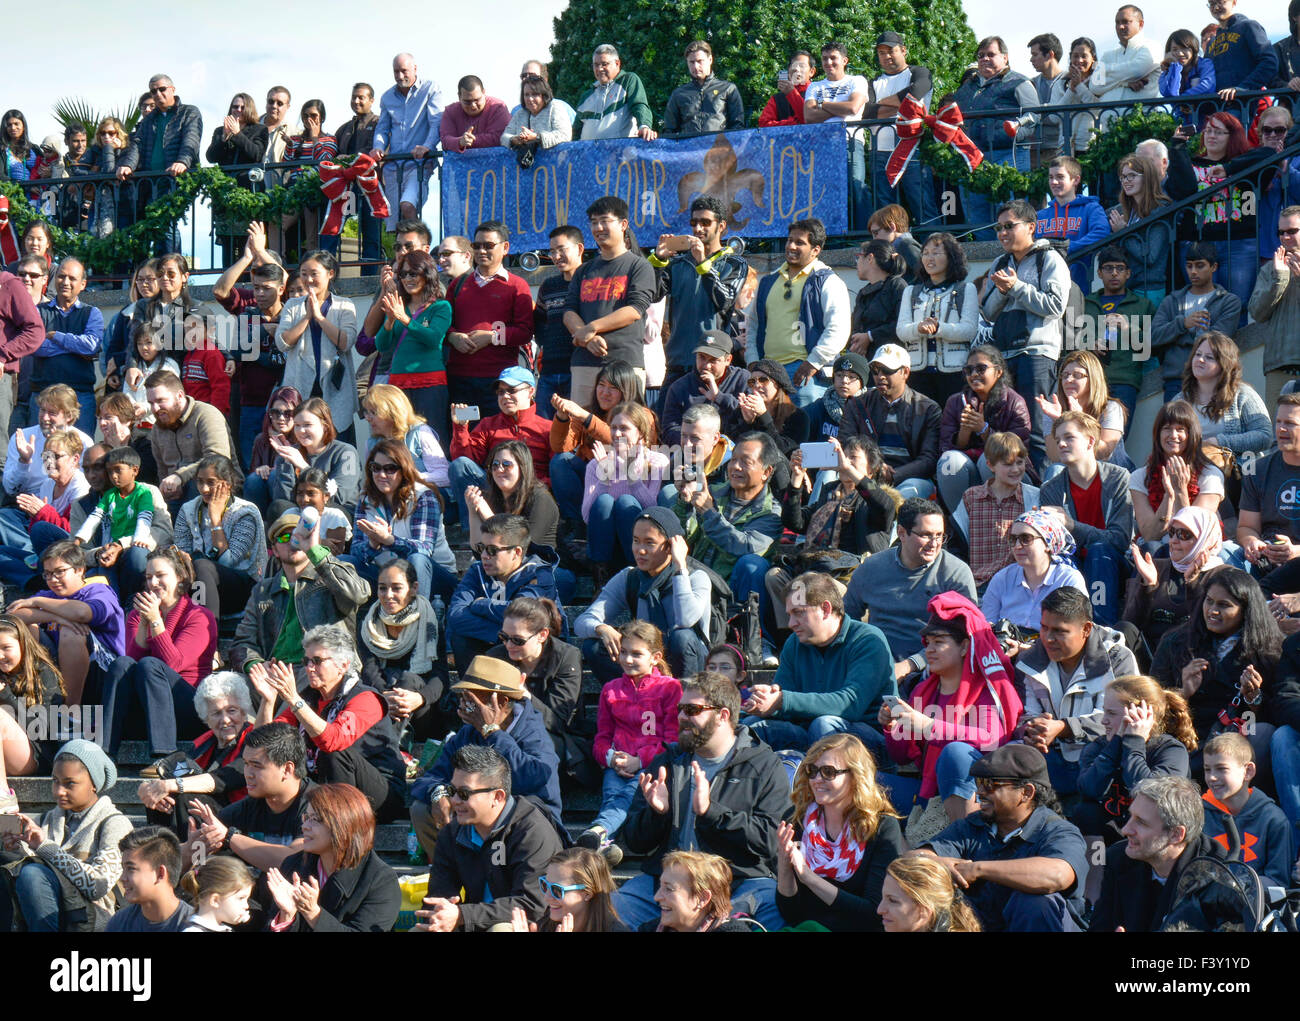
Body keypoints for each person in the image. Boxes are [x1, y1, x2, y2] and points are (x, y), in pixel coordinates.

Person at [617, 671, 790, 932]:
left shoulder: (762, 765)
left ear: (723, 715)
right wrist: (657, 813)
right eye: (680, 709)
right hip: (667, 885)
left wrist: (711, 813)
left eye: (692, 709)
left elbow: (769, 841)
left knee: (771, 911)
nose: (682, 717)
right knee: (610, 910)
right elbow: (633, 841)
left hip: (737, 885)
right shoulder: (668, 761)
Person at [880, 595, 1023, 819]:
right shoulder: (922, 691)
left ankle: (968, 842)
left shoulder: (985, 690)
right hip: (925, 795)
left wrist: (929, 726)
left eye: (939, 642)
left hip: (978, 796)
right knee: (855, 780)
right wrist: (892, 727)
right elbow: (901, 757)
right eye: (928, 643)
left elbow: (991, 739)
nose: (929, 650)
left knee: (955, 753)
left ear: (965, 646)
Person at [408, 656, 563, 861]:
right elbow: (429, 778)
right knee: (422, 809)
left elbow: (535, 778)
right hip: (477, 814)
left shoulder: (532, 729)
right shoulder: (467, 733)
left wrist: (492, 733)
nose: (462, 704)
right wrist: (438, 793)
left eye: (472, 699)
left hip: (524, 824)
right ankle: (448, 873)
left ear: (500, 702)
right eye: (463, 696)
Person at [922, 744, 1088, 932]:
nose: (980, 793)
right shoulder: (972, 825)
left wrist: (977, 869)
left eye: (990, 785)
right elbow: (913, 858)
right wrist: (936, 862)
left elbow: (1057, 875)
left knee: (1035, 903)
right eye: (979, 784)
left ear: (1026, 792)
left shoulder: (1059, 831)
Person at [250, 623, 405, 823]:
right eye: (306, 661)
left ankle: (337, 826)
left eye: (317, 661)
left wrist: (292, 698)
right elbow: (262, 746)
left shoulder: (366, 698)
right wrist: (268, 700)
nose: (309, 668)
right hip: (323, 785)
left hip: (380, 793)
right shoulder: (307, 699)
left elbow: (334, 740)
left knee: (334, 753)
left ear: (343, 665)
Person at [747, 571, 894, 758]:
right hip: (809, 733)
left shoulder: (868, 639)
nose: (790, 623)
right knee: (750, 727)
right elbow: (785, 704)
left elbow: (850, 705)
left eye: (798, 613)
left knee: (824, 725)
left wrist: (782, 700)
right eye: (789, 615)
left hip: (870, 744)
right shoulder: (794, 643)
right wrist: (765, 702)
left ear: (825, 609)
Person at [417, 745, 564, 931]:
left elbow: (532, 905)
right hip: (473, 922)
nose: (454, 801)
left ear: (497, 796)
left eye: (464, 793)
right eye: (451, 791)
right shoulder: (452, 833)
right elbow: (439, 895)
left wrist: (462, 915)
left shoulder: (532, 831)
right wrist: (439, 913)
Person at [1015, 586, 1140, 794]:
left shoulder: (1118, 659)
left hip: (1102, 763)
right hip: (1048, 757)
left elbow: (1120, 719)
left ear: (1086, 629)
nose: (1047, 638)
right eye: (1044, 627)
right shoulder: (1028, 660)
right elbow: (1023, 716)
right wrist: (1033, 730)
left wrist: (1064, 727)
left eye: (1060, 631)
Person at [1150, 568, 1281, 768]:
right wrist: (1182, 693)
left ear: (1246, 610)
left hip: (1238, 742)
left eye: (1224, 605)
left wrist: (1253, 700)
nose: (1212, 611)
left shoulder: (1269, 653)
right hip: (1186, 738)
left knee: (1263, 732)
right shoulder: (1175, 642)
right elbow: (1152, 706)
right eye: (1209, 601)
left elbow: (1274, 717)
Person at [775, 733, 906, 931]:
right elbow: (791, 913)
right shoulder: (797, 819)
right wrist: (784, 864)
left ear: (855, 777)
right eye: (812, 770)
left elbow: (874, 913)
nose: (817, 779)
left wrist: (809, 877)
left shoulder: (881, 828)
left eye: (828, 772)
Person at [0, 739, 131, 932]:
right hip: (52, 910)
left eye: (70, 784)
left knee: (32, 875)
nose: (59, 791)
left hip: (95, 917)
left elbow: (98, 886)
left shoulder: (114, 824)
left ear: (94, 784)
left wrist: (46, 847)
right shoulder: (47, 819)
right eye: (55, 781)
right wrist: (16, 849)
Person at [980, 199, 1071, 470]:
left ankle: (1040, 492)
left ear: (1031, 227)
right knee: (1007, 429)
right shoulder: (1000, 261)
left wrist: (1017, 286)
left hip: (1037, 354)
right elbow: (987, 312)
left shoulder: (1049, 258)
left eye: (1009, 226)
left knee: (1035, 431)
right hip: (1005, 355)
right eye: (999, 227)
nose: (1002, 233)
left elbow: (1055, 306)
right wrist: (1004, 291)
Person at [100, 547, 217, 758]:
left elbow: (172, 664)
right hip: (146, 710)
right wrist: (145, 625)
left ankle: (165, 755)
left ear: (180, 578)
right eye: (148, 577)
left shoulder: (199, 616)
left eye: (160, 576)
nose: (153, 583)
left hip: (189, 710)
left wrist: (155, 621)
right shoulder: (137, 615)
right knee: (121, 664)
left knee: (151, 665)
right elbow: (131, 665)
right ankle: (105, 752)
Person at [580, 620, 681, 863]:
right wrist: (610, 757)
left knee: (625, 797)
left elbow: (673, 739)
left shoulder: (670, 688)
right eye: (623, 652)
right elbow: (602, 737)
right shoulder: (610, 690)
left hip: (652, 765)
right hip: (619, 763)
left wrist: (640, 760)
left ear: (655, 657)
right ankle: (602, 846)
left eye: (636, 654)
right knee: (613, 796)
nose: (627, 659)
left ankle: (598, 830)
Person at [575, 506, 714, 681]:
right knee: (593, 646)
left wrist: (680, 569)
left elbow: (685, 619)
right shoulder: (630, 577)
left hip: (689, 662)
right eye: (636, 541)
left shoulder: (696, 577)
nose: (640, 550)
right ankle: (628, 699)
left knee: (682, 637)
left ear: (671, 545)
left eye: (650, 543)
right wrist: (601, 628)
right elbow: (582, 622)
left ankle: (684, 705)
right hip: (646, 659)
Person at [227, 510, 370, 679]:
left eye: (299, 535)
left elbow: (358, 594)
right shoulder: (262, 591)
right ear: (275, 550)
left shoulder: (330, 577)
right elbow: (243, 642)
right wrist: (256, 665)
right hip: (274, 674)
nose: (293, 542)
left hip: (322, 672)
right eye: (284, 538)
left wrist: (315, 550)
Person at [845, 498, 977, 680]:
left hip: (933, 670)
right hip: (874, 662)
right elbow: (846, 618)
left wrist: (910, 665)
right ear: (901, 533)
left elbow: (961, 635)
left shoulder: (955, 574)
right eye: (926, 535)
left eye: (940, 535)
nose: (934, 543)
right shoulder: (872, 567)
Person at [1074, 675, 1196, 846]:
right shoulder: (1100, 746)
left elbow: (1150, 795)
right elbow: (1089, 789)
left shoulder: (1171, 750)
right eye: (1104, 711)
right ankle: (1097, 871)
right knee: (1086, 811)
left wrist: (1134, 742)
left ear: (1141, 713)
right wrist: (1116, 743)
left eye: (1111, 713)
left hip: (1155, 837)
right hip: (1112, 836)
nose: (1103, 720)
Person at [650, 196, 748, 405]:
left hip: (713, 367)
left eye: (705, 222)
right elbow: (652, 294)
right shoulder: (678, 263)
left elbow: (725, 300)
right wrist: (658, 262)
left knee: (709, 433)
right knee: (665, 429)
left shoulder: (734, 263)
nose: (698, 228)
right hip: (677, 365)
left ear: (721, 226)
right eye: (694, 223)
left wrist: (702, 262)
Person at [1038, 412, 1134, 625]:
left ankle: (1102, 629)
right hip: (1074, 562)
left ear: (1090, 441)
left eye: (1069, 437)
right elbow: (1055, 546)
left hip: (1112, 563)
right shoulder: (1051, 489)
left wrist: (1071, 525)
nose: (1061, 444)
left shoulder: (1118, 478)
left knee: (1099, 551)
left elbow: (1120, 540)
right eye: (1058, 440)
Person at [265, 782, 400, 933]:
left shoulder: (380, 880)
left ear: (344, 824)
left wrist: (314, 914)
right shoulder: (294, 865)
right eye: (306, 817)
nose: (304, 826)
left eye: (315, 819)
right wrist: (286, 916)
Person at [744, 217, 850, 409]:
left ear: (816, 250)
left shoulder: (828, 281)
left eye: (800, 242)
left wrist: (812, 363)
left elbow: (839, 329)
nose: (791, 246)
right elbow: (754, 325)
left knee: (803, 437)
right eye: (789, 240)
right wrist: (753, 362)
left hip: (805, 375)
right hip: (766, 374)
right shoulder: (768, 281)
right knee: (769, 437)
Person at [1089, 775, 1217, 931]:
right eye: (1131, 816)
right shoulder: (1118, 858)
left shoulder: (1215, 875)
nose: (1125, 830)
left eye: (1141, 822)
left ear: (1176, 834)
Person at [137, 671, 254, 840]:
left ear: (244, 712)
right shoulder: (203, 743)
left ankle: (194, 860)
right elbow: (172, 771)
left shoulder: (253, 739)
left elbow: (225, 779)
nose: (225, 719)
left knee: (185, 795)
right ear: (206, 718)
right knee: (162, 798)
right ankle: (163, 856)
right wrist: (147, 789)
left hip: (239, 821)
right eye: (216, 713)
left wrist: (170, 785)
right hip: (207, 814)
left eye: (232, 710)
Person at [672, 432, 782, 610]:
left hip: (729, 594)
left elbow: (744, 547)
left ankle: (749, 631)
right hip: (693, 577)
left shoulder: (771, 513)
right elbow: (681, 536)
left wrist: (708, 512)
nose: (735, 467)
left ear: (766, 471)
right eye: (733, 460)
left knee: (752, 564)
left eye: (746, 462)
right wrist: (684, 503)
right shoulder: (713, 492)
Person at [563, 197, 657, 405]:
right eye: (594, 222)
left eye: (605, 221)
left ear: (623, 225)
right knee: (581, 429)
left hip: (625, 363)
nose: (598, 228)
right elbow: (569, 311)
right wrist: (587, 338)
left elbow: (635, 309)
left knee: (626, 427)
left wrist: (592, 328)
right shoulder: (584, 270)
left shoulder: (639, 266)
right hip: (584, 363)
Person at [192, 723, 314, 882]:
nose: (248, 774)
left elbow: (292, 861)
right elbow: (198, 857)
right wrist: (197, 846)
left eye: (256, 766)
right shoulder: (248, 806)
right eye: (246, 764)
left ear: (287, 769)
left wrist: (229, 837)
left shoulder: (316, 807)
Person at [8, 540, 124, 705]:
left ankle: (71, 712)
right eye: (47, 574)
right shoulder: (47, 596)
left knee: (71, 631)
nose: (53, 579)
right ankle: (32, 696)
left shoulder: (99, 590)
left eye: (59, 572)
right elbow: (13, 617)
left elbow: (82, 613)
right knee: (24, 627)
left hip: (104, 672)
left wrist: (37, 602)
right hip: (61, 667)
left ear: (79, 570)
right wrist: (56, 617)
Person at [446, 513, 561, 674]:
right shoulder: (477, 570)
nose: (484, 556)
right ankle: (473, 695)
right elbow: (456, 615)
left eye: (492, 550)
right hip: (496, 644)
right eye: (481, 548)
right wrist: (505, 635)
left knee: (520, 640)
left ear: (517, 552)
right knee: (461, 639)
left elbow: (524, 618)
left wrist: (480, 604)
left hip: (533, 653)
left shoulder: (540, 575)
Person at [1165, 115, 1256, 312]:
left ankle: (1230, 345)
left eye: (1219, 131)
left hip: (1239, 245)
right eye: (1208, 131)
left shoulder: (1244, 164)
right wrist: (1178, 146)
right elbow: (1184, 190)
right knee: (1200, 309)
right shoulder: (1191, 164)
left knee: (1236, 307)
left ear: (1233, 136)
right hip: (1197, 245)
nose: (1211, 136)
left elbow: (1268, 154)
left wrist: (1228, 168)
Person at [952, 38, 1039, 239]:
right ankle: (989, 254)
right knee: (977, 213)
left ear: (1005, 57)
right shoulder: (968, 87)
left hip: (1009, 154)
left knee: (1009, 213)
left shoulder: (1019, 82)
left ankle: (1013, 253)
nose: (984, 59)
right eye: (981, 55)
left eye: (991, 54)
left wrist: (1016, 132)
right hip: (974, 158)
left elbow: (1034, 116)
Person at [349, 440, 456, 603]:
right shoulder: (365, 500)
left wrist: (389, 540)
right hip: (386, 577)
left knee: (417, 560)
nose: (381, 475)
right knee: (344, 562)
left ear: (404, 470)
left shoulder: (423, 497)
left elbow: (424, 549)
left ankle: (418, 619)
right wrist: (372, 545)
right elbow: (355, 551)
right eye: (376, 468)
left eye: (390, 469)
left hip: (434, 577)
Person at [778, 433, 896, 580]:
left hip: (853, 574)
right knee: (774, 577)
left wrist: (848, 468)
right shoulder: (830, 493)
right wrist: (797, 477)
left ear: (871, 470)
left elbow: (885, 505)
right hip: (819, 565)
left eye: (852, 457)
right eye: (842, 455)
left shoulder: (876, 498)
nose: (845, 460)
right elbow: (794, 522)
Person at [443, 221, 534, 411]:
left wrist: (492, 338)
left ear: (505, 247)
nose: (482, 251)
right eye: (477, 246)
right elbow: (443, 325)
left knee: (498, 436)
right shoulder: (458, 285)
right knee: (463, 433)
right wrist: (453, 336)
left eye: (488, 246)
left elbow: (525, 332)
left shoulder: (517, 286)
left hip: (500, 383)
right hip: (460, 380)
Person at [484, 596, 582, 772]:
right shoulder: (495, 656)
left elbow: (557, 722)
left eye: (518, 640)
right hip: (504, 731)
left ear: (542, 635)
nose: (508, 645)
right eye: (504, 637)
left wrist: (525, 695)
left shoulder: (566, 657)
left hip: (554, 738)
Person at [448, 366, 553, 523]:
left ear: (531, 391)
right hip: (495, 490)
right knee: (460, 464)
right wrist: (460, 428)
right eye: (501, 392)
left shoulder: (547, 427)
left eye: (511, 390)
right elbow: (464, 463)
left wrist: (539, 485)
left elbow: (557, 469)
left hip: (533, 492)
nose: (505, 396)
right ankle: (470, 529)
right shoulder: (487, 424)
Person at [937, 346, 1032, 515]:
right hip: (965, 472)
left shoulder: (1015, 402)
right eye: (969, 370)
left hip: (1009, 472)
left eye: (981, 369)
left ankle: (1000, 519)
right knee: (949, 462)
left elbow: (1017, 452)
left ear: (999, 372)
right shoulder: (955, 402)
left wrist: (984, 430)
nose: (973, 374)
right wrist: (964, 432)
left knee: (988, 460)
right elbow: (944, 448)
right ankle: (961, 523)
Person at [838, 343, 941, 500]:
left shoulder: (928, 409)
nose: (880, 376)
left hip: (908, 479)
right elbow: (845, 443)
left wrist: (896, 475)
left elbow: (929, 459)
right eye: (875, 371)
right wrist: (876, 469)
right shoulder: (856, 404)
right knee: (826, 476)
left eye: (887, 371)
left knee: (910, 491)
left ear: (905, 372)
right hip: (865, 477)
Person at [356, 558, 443, 744]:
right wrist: (385, 697)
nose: (388, 595)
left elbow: (439, 676)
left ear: (413, 588)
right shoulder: (368, 624)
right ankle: (389, 746)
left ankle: (384, 749)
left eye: (396, 588)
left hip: (420, 707)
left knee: (409, 679)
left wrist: (419, 698)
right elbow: (370, 670)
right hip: (380, 699)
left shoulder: (429, 622)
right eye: (382, 588)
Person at [174, 454, 266, 624]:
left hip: (242, 587)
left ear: (227, 484)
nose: (204, 489)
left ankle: (208, 637)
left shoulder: (246, 512)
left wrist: (215, 519)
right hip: (200, 581)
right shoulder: (188, 509)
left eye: (211, 482)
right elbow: (181, 554)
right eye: (200, 482)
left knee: (201, 566)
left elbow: (228, 562)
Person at [276, 250, 357, 442]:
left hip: (335, 390)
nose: (308, 279)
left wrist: (320, 318)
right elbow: (282, 342)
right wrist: (307, 316)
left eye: (314, 274)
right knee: (304, 448)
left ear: (330, 274)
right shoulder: (292, 305)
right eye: (304, 274)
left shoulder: (344, 305)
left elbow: (346, 342)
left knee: (340, 446)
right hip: (301, 388)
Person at [116, 75, 203, 250]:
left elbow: (191, 139)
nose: (158, 93)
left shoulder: (189, 112)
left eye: (162, 89)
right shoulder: (149, 120)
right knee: (155, 226)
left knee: (167, 225)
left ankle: (172, 266)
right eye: (153, 91)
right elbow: (137, 145)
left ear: (172, 90)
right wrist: (128, 165)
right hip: (152, 181)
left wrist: (182, 161)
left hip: (175, 179)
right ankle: (156, 268)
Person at [581, 401, 670, 571]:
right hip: (606, 544)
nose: (616, 433)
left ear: (641, 434)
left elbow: (652, 510)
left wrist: (632, 477)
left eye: (624, 428)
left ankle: (637, 573)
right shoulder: (596, 464)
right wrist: (604, 477)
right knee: (605, 501)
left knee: (626, 502)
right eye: (613, 427)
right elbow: (587, 516)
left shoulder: (657, 461)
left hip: (639, 543)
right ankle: (601, 575)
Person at [896, 233, 978, 409]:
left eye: (936, 253)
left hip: (954, 371)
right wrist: (919, 328)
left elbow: (969, 330)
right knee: (921, 426)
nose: (929, 258)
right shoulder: (911, 291)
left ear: (951, 257)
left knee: (952, 424)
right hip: (918, 371)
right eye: (925, 253)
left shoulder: (965, 288)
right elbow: (901, 331)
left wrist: (938, 328)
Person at [1125, 505, 1224, 651]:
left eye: (1184, 535)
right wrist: (1148, 586)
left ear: (1206, 539)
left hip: (1194, 658)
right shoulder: (1155, 567)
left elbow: (1209, 629)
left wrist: (1193, 583)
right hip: (1150, 658)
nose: (1173, 541)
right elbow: (1130, 624)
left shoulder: (1222, 577)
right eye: (1171, 533)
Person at [1151, 244, 1242, 402]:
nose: (1193, 271)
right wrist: (1183, 324)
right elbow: (1152, 338)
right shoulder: (1172, 300)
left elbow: (1218, 342)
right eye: (1189, 266)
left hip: (1213, 379)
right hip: (1176, 379)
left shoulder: (1229, 301)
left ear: (1214, 267)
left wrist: (1177, 339)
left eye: (1200, 266)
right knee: (1175, 426)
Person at [1199, 731, 1293, 885]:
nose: (1211, 777)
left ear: (1248, 771)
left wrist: (1238, 888)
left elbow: (1278, 882)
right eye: (1207, 769)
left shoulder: (1274, 820)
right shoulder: (1199, 815)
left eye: (1221, 769)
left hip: (1256, 905)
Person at [982, 509, 1088, 633]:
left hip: (1050, 649)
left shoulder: (1068, 579)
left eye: (1026, 538)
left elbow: (1073, 633)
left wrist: (1025, 649)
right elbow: (985, 627)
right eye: (1013, 539)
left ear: (1048, 544)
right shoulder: (1002, 578)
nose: (1017, 546)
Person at [1084, 246, 1158, 421]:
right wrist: (1088, 345)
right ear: (1099, 273)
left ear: (1128, 273)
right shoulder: (1086, 303)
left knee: (1115, 441)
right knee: (1086, 437)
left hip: (1124, 381)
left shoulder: (1143, 305)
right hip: (1089, 380)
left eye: (1120, 268)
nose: (1114, 273)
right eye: (1109, 268)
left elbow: (1153, 348)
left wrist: (1128, 329)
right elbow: (1068, 343)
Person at [802, 41, 871, 229]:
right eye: (825, 59)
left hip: (850, 141)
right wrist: (840, 108)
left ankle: (863, 234)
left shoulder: (857, 80)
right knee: (827, 191)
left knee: (857, 186)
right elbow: (809, 116)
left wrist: (823, 104)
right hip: (823, 144)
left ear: (844, 60)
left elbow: (853, 107)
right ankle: (833, 237)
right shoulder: (814, 87)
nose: (829, 62)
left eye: (833, 58)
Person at [146, 370, 237, 513]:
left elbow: (218, 459)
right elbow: (162, 468)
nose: (155, 409)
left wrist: (179, 477)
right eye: (151, 403)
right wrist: (166, 489)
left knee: (197, 485)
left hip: (214, 487)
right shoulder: (158, 427)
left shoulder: (206, 414)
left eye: (160, 401)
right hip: (177, 493)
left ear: (180, 396)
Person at [955, 432, 1038, 587]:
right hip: (977, 584)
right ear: (990, 465)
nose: (1015, 469)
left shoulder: (1033, 498)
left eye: (1020, 463)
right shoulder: (971, 497)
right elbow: (958, 543)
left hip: (1018, 585)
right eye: (1008, 464)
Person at [30, 258, 102, 436]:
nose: (66, 282)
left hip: (80, 397)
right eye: (61, 276)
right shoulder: (39, 311)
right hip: (42, 396)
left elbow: (91, 346)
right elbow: (36, 346)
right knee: (40, 453)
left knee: (81, 452)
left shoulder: (92, 313)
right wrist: (77, 347)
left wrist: (57, 336)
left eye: (72, 278)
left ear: (83, 284)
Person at [71, 445, 153, 598]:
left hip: (133, 554)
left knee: (138, 555)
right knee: (42, 532)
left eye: (98, 468)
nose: (91, 476)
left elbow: (161, 531)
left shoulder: (146, 492)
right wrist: (100, 553)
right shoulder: (81, 505)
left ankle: (132, 601)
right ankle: (111, 607)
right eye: (86, 469)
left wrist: (122, 545)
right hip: (103, 559)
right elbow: (81, 551)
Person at [370, 53, 442, 225]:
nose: (400, 76)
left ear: (415, 69)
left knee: (408, 206)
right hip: (394, 166)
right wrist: (378, 147)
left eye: (404, 71)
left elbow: (437, 122)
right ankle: (408, 249)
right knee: (395, 224)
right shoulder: (387, 97)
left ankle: (420, 246)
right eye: (396, 72)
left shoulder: (431, 88)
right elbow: (382, 128)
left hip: (418, 165)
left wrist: (427, 146)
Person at [1181, 332, 1271, 464]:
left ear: (1224, 364)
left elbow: (1265, 436)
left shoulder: (1243, 395)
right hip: (1190, 469)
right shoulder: (1181, 400)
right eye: (1198, 354)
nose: (1200, 360)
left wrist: (1219, 442)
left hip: (1235, 473)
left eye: (1209, 357)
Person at [0, 613, 65, 792]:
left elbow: (41, 729)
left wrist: (5, 695)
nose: (0, 655)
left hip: (37, 753)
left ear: (22, 645)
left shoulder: (44, 673)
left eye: (6, 647)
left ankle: (2, 793)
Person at [1237, 395, 1300, 574]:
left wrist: (1294, 552)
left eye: (1289, 423)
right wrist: (1252, 542)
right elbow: (1246, 526)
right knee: (1224, 554)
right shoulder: (1257, 469)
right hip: (1264, 561)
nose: (1281, 428)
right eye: (1278, 421)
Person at [268, 398, 360, 516]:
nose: (301, 431)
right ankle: (288, 536)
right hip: (301, 512)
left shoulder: (346, 452)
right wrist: (286, 462)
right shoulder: (293, 453)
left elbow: (339, 496)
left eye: (307, 425)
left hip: (334, 513)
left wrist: (304, 467)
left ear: (325, 426)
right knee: (277, 508)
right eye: (297, 425)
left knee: (332, 513)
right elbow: (284, 498)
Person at [1039, 350, 1130, 469]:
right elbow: (1055, 456)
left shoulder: (1111, 408)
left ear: (1093, 379)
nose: (1068, 380)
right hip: (1071, 475)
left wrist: (1079, 421)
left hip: (1109, 475)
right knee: (1056, 469)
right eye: (1065, 375)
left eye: (1077, 375)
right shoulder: (1054, 410)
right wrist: (1060, 422)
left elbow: (1104, 453)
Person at [1035, 155, 1112, 294]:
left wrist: (1066, 248)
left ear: (1076, 180)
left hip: (1079, 289)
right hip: (1044, 290)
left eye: (1060, 177)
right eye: (1051, 177)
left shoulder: (1091, 208)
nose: (1054, 182)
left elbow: (1101, 233)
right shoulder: (1040, 216)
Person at [3, 384, 93, 501]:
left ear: (69, 416)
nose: (45, 417)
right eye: (42, 410)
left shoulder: (83, 442)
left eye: (52, 413)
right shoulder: (23, 438)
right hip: (23, 504)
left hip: (63, 507)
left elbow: (81, 487)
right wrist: (24, 462)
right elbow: (10, 489)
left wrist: (50, 452)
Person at [205, 93, 269, 259]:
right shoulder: (220, 131)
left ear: (249, 108)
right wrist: (225, 138)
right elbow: (211, 157)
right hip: (225, 193)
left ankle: (248, 279)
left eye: (242, 107)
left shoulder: (260, 130)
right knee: (228, 243)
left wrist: (238, 134)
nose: (238, 110)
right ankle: (228, 279)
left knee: (248, 242)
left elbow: (256, 154)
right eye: (235, 106)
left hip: (248, 192)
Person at [468, 439, 559, 551]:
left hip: (540, 565)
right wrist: (473, 511)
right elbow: (479, 551)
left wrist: (489, 518)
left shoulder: (540, 499)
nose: (499, 469)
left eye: (506, 464)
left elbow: (522, 548)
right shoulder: (491, 499)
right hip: (501, 566)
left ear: (522, 467)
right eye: (495, 464)